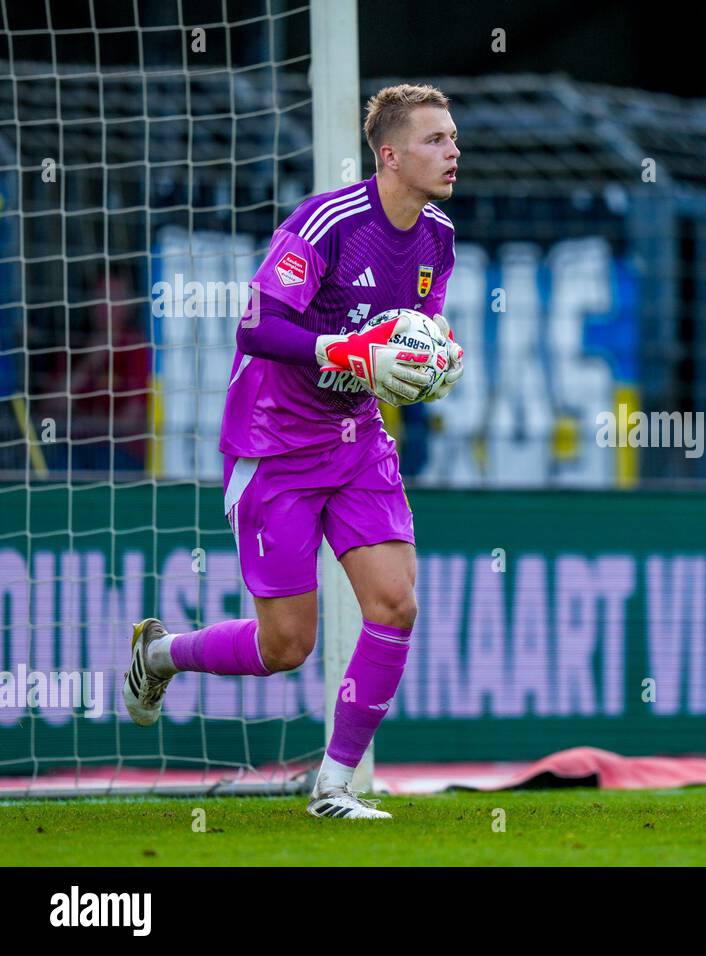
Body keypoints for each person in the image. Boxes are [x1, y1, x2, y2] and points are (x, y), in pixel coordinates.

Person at [121, 84, 465, 819]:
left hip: (357, 441)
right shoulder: (328, 223)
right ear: (390, 154)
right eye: (436, 140)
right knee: (286, 646)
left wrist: (434, 358)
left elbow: (418, 331)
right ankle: (160, 653)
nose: (452, 151)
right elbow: (255, 327)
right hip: (272, 443)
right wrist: (340, 346)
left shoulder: (439, 236)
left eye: (454, 138)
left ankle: (333, 787)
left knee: (395, 604)